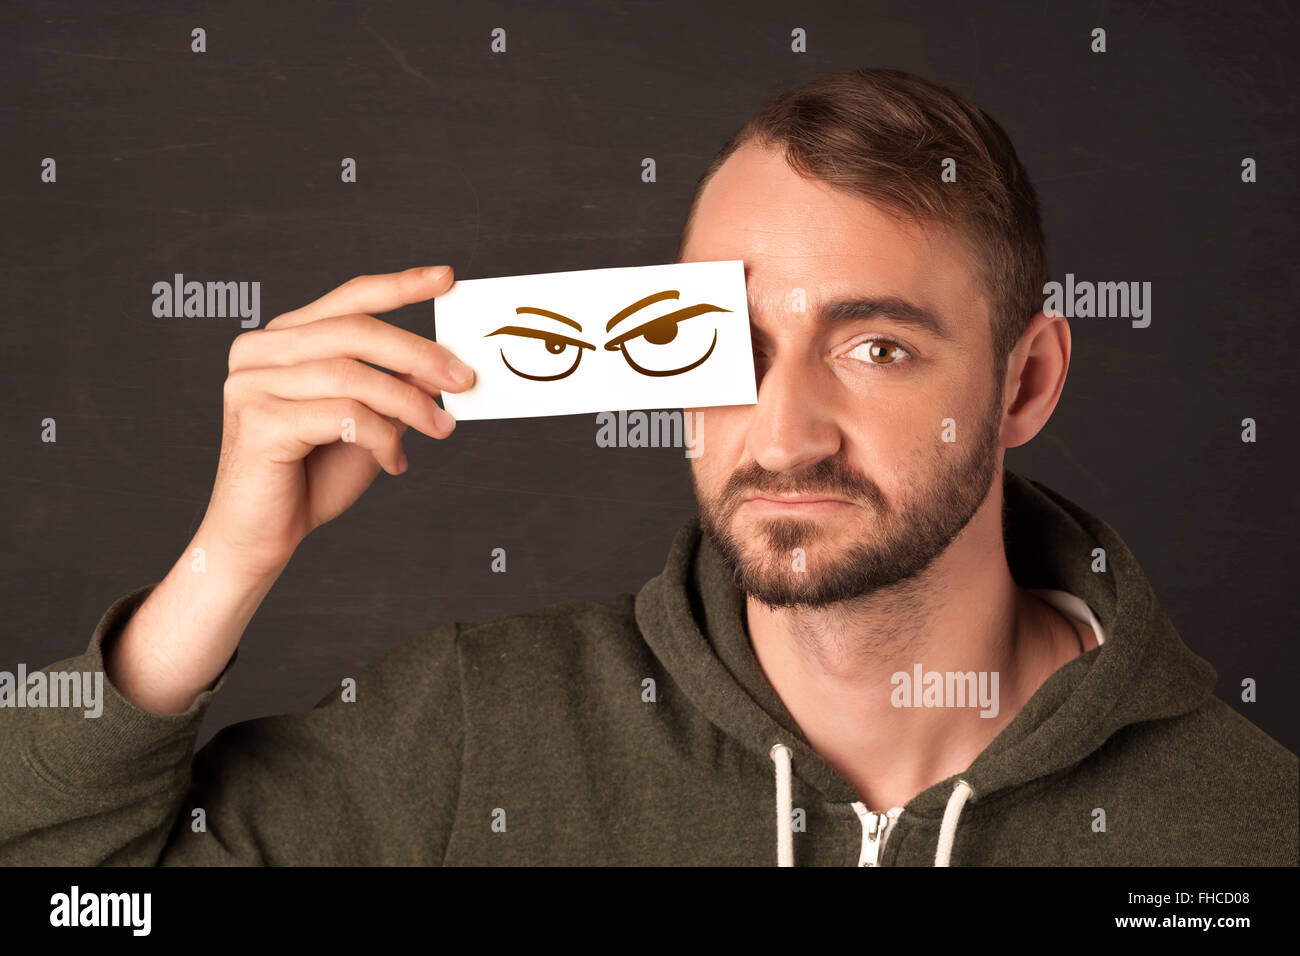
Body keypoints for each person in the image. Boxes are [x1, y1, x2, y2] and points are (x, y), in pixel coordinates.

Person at [1, 68, 1294, 866]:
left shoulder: (1246, 827)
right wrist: (229, 561)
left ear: (1025, 382)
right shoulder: (474, 738)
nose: (782, 433)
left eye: (879, 347)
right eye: (723, 344)